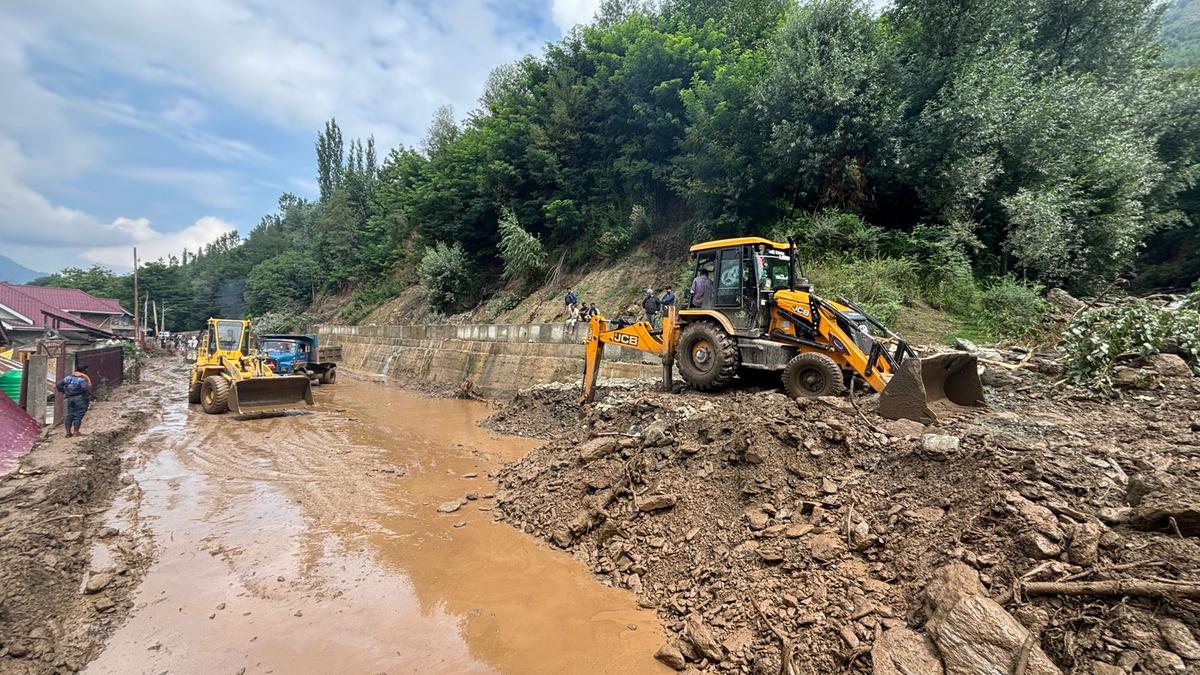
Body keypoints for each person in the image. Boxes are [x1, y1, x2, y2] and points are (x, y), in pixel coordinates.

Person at [56, 364, 92, 438]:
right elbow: (85, 388)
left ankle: (68, 433)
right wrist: (88, 395)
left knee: (70, 414)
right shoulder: (81, 379)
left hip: (70, 398)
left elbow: (58, 385)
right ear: (84, 370)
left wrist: (64, 392)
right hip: (80, 398)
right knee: (78, 414)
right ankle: (76, 431)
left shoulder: (68, 378)